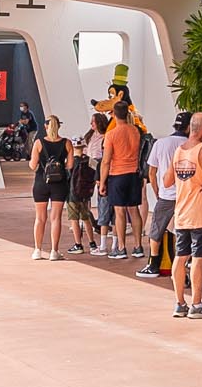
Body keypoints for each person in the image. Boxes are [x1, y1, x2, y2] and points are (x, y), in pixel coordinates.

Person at [168, 117, 202, 317]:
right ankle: (196, 304)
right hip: (200, 213)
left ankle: (179, 303)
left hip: (181, 212)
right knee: (198, 258)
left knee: (181, 256)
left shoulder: (179, 151)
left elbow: (167, 180)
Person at [140, 113, 189, 281]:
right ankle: (184, 263)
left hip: (166, 195)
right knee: (185, 230)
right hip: (186, 195)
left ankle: (154, 263)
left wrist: (158, 192)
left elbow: (151, 173)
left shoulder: (160, 143)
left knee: (157, 229)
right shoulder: (191, 145)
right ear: (189, 127)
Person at [101, 103, 145, 259]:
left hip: (117, 174)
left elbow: (106, 161)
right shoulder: (135, 131)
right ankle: (138, 246)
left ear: (113, 114)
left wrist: (102, 181)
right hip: (134, 174)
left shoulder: (111, 134)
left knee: (119, 212)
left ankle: (121, 247)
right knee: (134, 210)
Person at [30, 114, 72, 260]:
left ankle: (37, 250)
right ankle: (54, 251)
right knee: (56, 218)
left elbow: (32, 165)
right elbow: (70, 165)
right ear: (58, 126)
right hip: (59, 184)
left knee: (40, 218)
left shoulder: (38, 143)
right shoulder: (67, 143)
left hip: (41, 182)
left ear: (45, 126)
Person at [69, 114, 102, 256]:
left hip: (72, 194)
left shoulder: (70, 162)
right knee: (86, 217)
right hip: (86, 193)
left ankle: (78, 244)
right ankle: (92, 243)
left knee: (74, 220)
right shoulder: (90, 161)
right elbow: (96, 172)